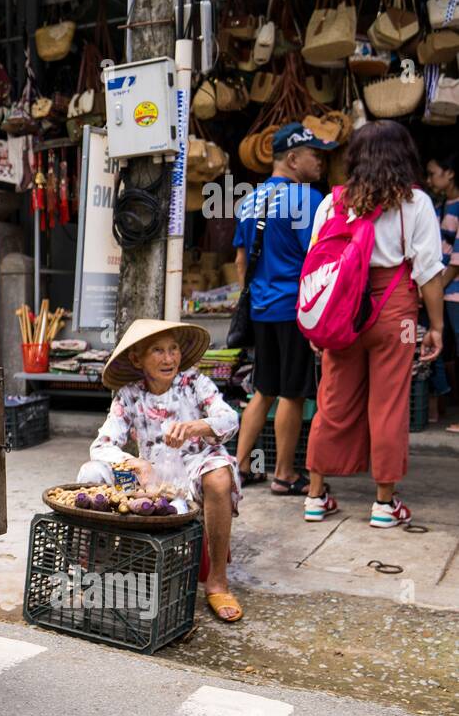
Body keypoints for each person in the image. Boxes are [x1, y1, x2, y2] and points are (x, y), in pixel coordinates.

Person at [303, 121, 446, 528]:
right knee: (389, 404)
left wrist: (318, 321)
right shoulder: (415, 203)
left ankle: (315, 495)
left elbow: (316, 264)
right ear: (404, 156)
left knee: (333, 399)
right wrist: (435, 325)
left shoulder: (331, 204)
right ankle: (384, 504)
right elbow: (428, 272)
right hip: (393, 309)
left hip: (342, 309)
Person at [79, 320, 244, 622]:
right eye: (158, 351)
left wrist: (197, 426)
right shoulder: (129, 395)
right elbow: (101, 444)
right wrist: (135, 463)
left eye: (173, 349)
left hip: (194, 466)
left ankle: (217, 582)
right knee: (91, 474)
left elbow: (230, 418)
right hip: (149, 476)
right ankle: (91, 572)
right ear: (137, 358)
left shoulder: (195, 383)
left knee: (219, 474)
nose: (169, 359)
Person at [232, 123, 335, 495]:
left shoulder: (250, 199)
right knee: (293, 393)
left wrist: (256, 293)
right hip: (294, 311)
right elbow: (319, 257)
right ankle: (284, 474)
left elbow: (241, 260)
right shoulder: (309, 200)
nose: (321, 163)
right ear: (293, 158)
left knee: (264, 390)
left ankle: (240, 467)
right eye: (314, 155)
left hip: (262, 309)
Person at [425, 152, 459, 432]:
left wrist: (433, 289)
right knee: (446, 350)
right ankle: (443, 403)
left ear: (450, 174)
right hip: (440, 291)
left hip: (451, 290)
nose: (429, 179)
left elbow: (456, 261)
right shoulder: (439, 205)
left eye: (434, 173)